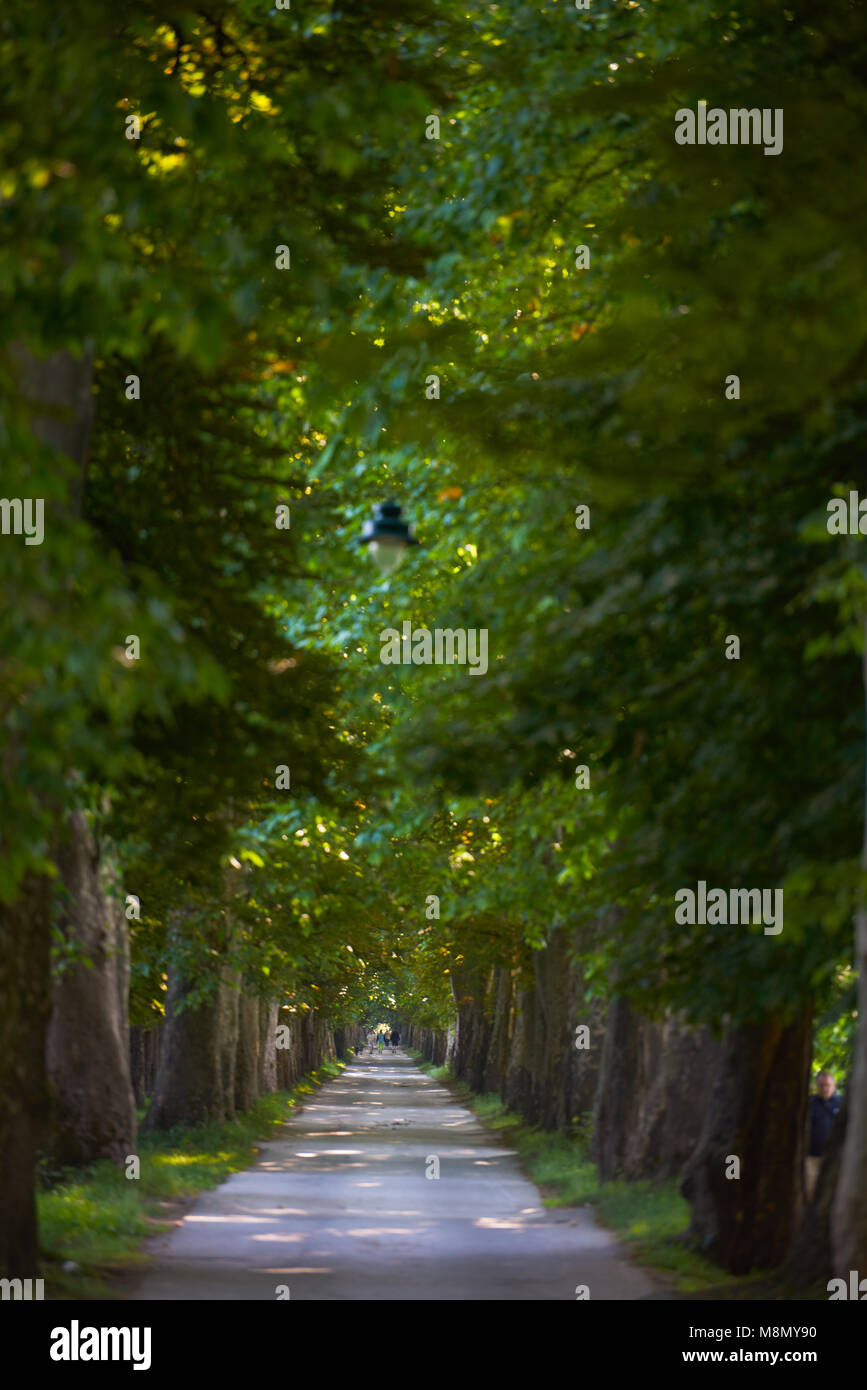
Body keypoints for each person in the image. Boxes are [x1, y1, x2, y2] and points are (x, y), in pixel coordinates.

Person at [806, 1070, 842, 1200]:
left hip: (834, 1157)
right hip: (812, 1157)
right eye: (821, 1085)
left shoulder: (841, 1103)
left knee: (833, 1191)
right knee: (810, 1190)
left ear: (834, 1085)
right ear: (817, 1086)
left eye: (827, 1085)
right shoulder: (810, 1102)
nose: (824, 1088)